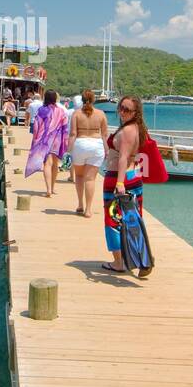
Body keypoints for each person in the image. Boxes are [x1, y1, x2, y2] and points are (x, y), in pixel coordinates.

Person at [101, 95, 148, 274]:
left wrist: (119, 182)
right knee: (134, 219)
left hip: (119, 178)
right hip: (133, 176)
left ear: (136, 113)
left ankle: (119, 262)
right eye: (121, 107)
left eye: (127, 110)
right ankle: (141, 258)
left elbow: (123, 157)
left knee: (113, 220)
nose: (122, 112)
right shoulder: (136, 128)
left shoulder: (128, 130)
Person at [69, 90, 108, 217]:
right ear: (93, 99)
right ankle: (88, 209)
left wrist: (68, 150)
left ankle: (80, 204)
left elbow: (73, 134)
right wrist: (107, 150)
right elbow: (104, 134)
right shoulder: (101, 114)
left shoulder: (76, 114)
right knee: (90, 179)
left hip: (80, 144)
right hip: (96, 146)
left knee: (79, 176)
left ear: (82, 99)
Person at [25, 90, 68, 197]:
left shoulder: (42, 110)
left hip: (46, 140)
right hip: (57, 139)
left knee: (47, 164)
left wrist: (35, 138)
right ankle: (53, 188)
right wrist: (65, 140)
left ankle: (48, 189)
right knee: (55, 164)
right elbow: (65, 126)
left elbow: (36, 125)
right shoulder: (61, 111)